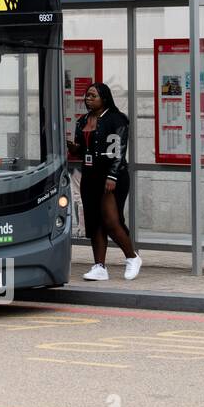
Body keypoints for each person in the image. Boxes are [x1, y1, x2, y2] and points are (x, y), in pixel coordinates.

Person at [68, 81, 141, 280]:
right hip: (89, 175)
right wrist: (74, 148)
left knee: (110, 220)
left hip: (110, 176)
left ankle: (132, 257)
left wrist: (112, 175)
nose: (88, 99)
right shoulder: (82, 121)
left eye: (93, 96)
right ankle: (99, 266)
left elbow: (119, 150)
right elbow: (84, 150)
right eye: (87, 96)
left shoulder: (117, 119)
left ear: (104, 98)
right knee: (94, 221)